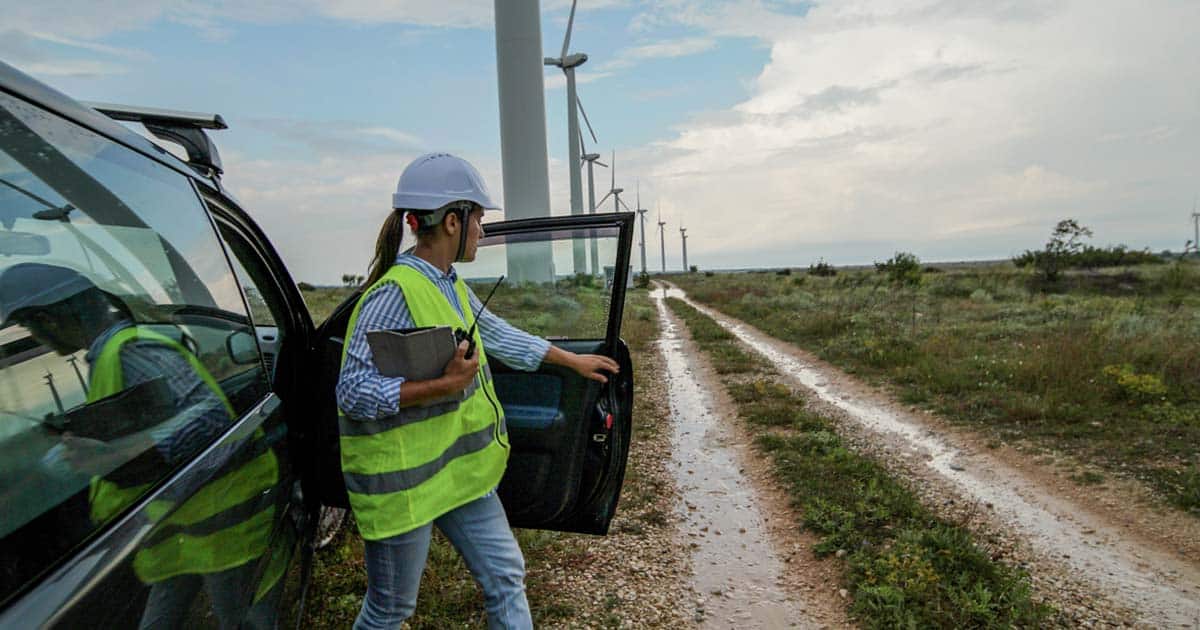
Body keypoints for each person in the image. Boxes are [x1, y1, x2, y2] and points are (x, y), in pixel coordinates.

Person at [337, 152, 618, 629]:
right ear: (452, 221)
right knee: (391, 610)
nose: (482, 231)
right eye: (479, 219)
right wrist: (442, 385)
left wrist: (570, 361)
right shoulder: (393, 293)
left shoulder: (448, 284)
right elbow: (352, 392)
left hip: (457, 474)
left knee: (506, 576)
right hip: (404, 486)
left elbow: (497, 333)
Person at [0, 262, 282, 629]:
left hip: (223, 526)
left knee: (242, 623)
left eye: (30, 327)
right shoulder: (108, 356)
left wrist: (117, 456)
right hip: (179, 531)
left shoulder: (132, 350)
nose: (37, 338)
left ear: (48, 319)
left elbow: (210, 418)